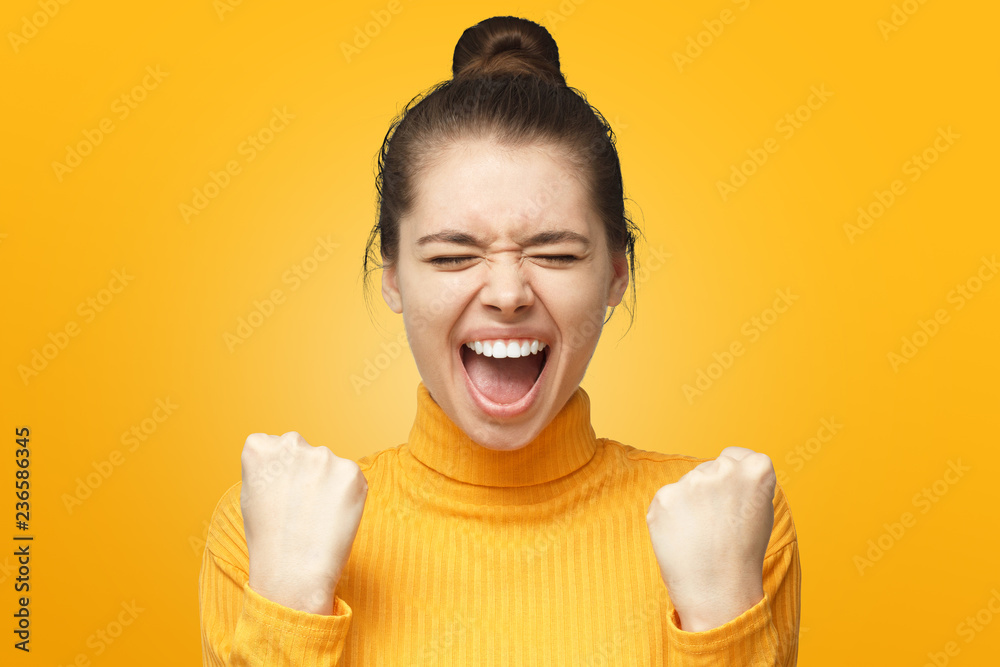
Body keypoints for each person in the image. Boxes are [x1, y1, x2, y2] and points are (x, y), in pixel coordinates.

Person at [199, 15, 800, 666]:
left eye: (558, 254)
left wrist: (720, 619)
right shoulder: (269, 525)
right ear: (394, 276)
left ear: (616, 274)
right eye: (455, 256)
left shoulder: (734, 520)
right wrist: (289, 604)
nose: (508, 292)